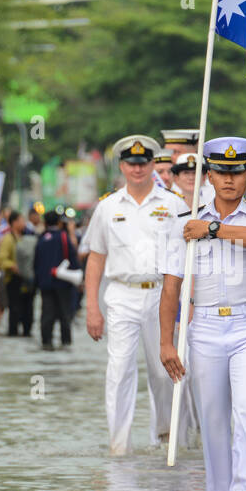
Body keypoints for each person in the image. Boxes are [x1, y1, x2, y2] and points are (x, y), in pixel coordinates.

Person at [160, 136, 246, 491]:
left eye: (237, 172)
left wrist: (210, 230)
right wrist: (165, 342)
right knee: (213, 418)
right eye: (221, 172)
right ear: (208, 176)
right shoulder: (182, 224)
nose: (229, 179)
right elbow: (172, 286)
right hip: (205, 325)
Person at [86, 135, 188, 454]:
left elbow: (188, 258)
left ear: (153, 165)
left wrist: (190, 303)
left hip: (162, 294)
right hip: (121, 295)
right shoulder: (107, 207)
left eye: (143, 163)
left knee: (163, 370)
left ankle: (167, 437)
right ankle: (119, 447)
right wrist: (92, 307)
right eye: (131, 164)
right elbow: (96, 257)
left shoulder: (174, 205)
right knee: (119, 371)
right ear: (122, 166)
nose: (138, 169)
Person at [33, 210, 79, 350]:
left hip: (45, 284)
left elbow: (36, 263)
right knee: (65, 315)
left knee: (47, 315)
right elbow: (73, 258)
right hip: (63, 283)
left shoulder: (41, 238)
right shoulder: (64, 237)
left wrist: (37, 282)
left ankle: (46, 343)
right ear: (59, 222)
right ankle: (66, 343)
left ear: (45, 222)